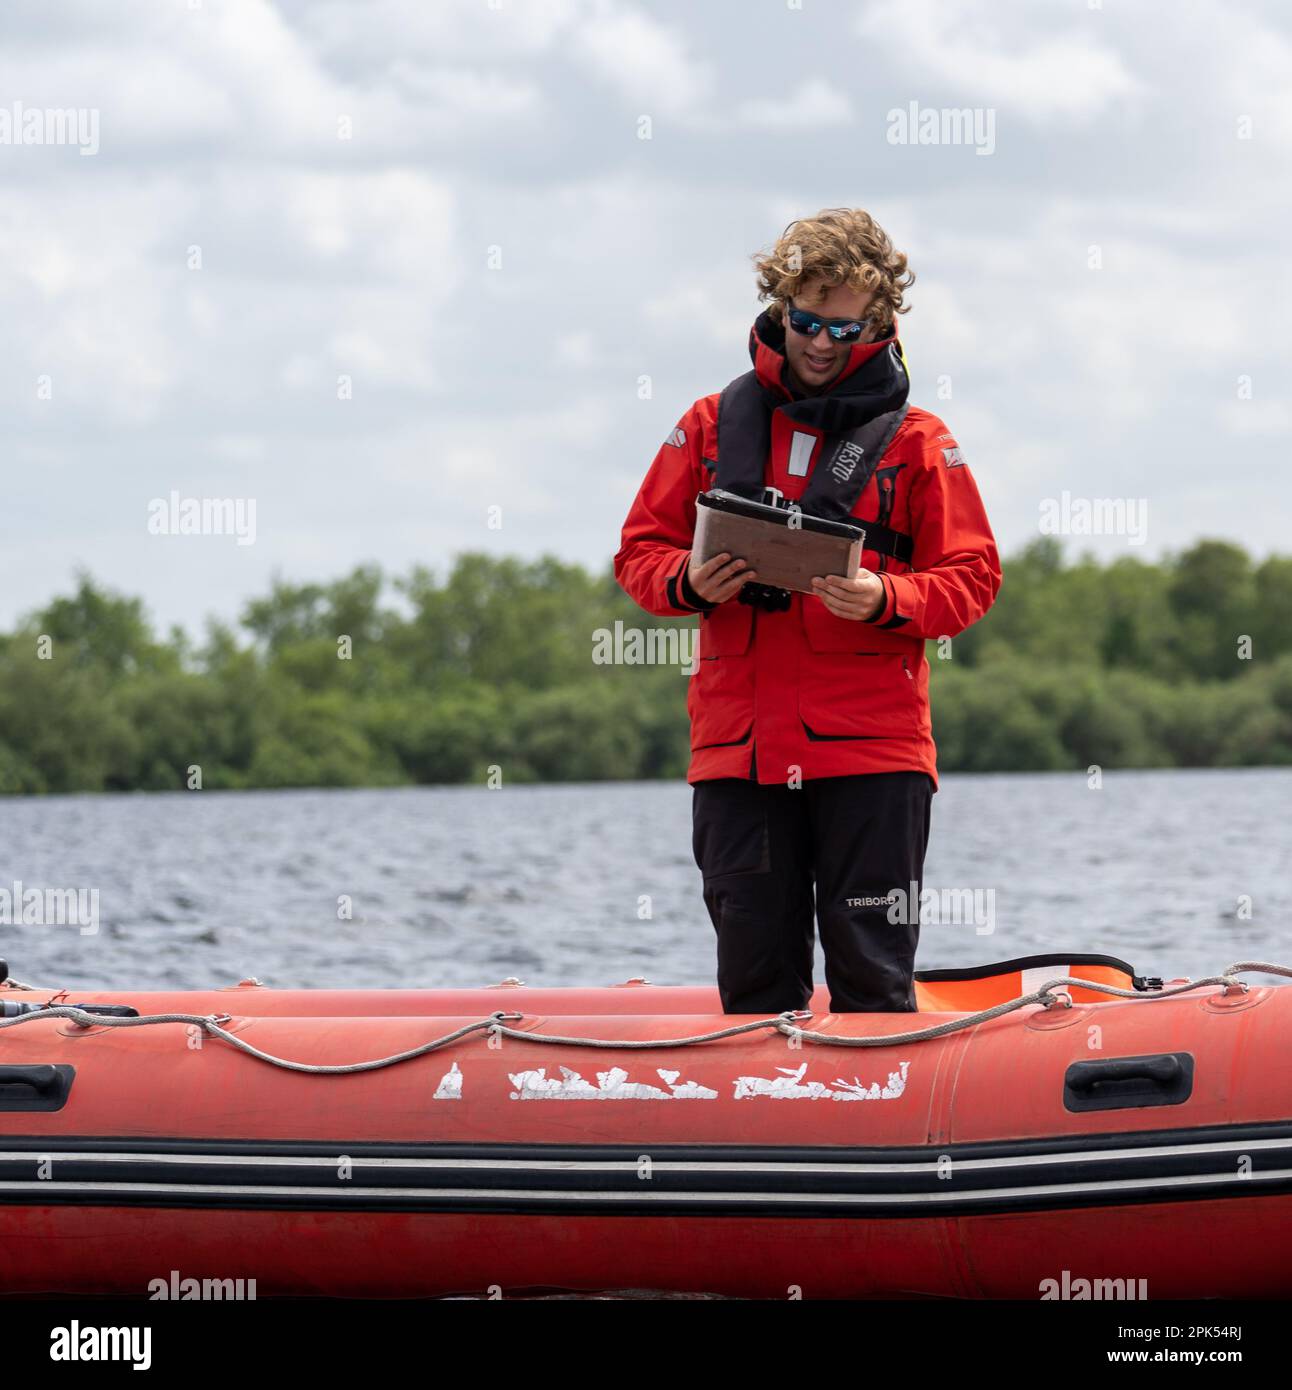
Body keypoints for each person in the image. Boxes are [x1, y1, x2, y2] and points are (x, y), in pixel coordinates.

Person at [614, 207, 1001, 1014]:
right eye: (805, 321)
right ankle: (762, 1125)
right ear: (778, 308)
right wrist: (692, 581)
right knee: (754, 985)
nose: (822, 343)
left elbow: (973, 577)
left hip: (874, 757)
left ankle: (882, 1122)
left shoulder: (921, 442)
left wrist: (885, 598)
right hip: (739, 756)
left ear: (881, 324)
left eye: (843, 327)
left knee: (871, 977)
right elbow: (637, 557)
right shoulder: (708, 424)